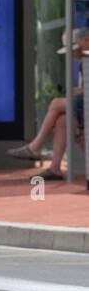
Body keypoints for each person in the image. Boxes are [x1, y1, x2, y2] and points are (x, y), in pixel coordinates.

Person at [7, 29, 89, 180]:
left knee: (56, 103)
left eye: (75, 49)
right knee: (62, 121)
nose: (73, 54)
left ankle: (35, 146)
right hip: (84, 104)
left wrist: (79, 91)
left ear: (86, 40)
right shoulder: (84, 64)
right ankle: (55, 168)